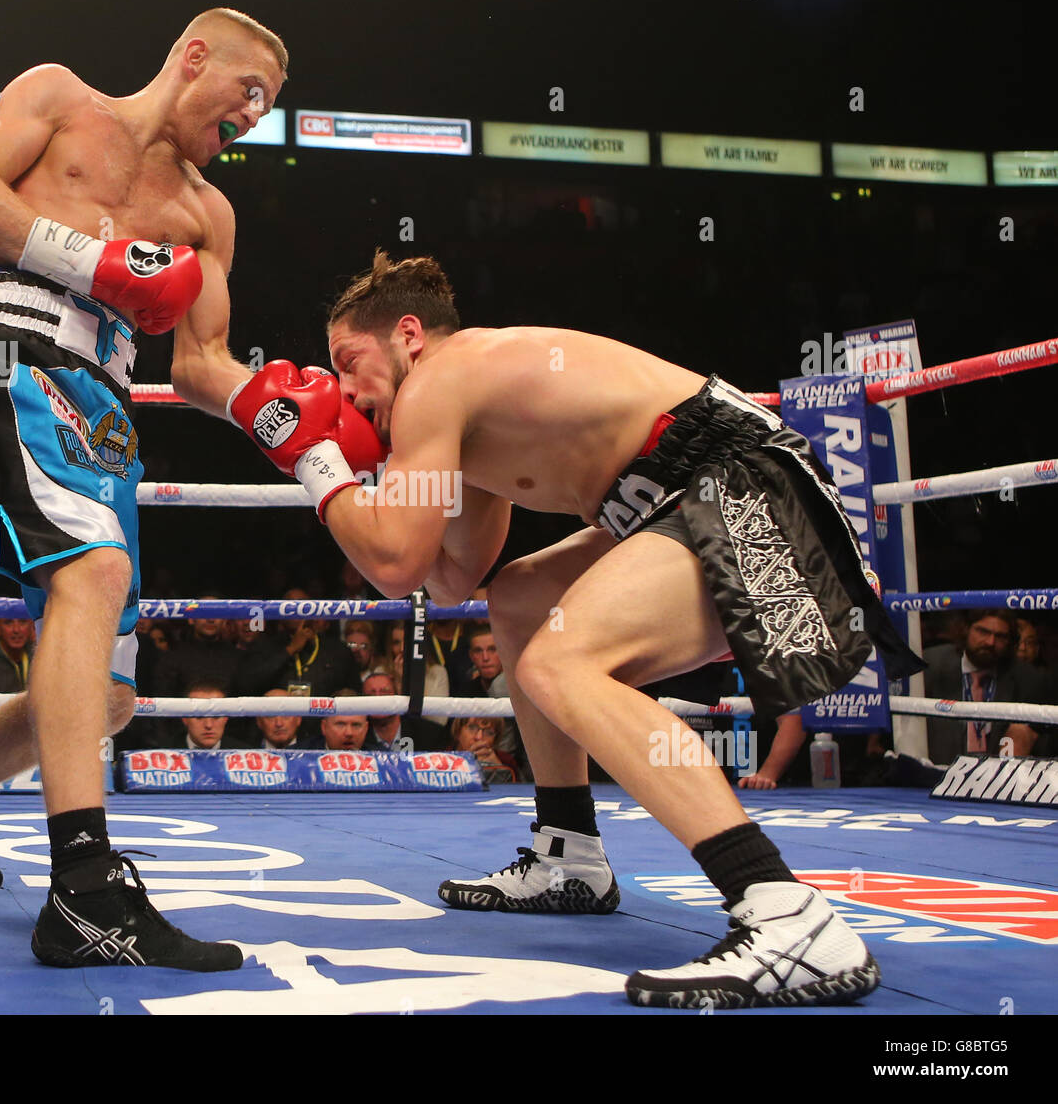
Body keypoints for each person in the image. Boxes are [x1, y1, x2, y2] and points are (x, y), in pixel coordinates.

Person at [201, 250, 923, 1007]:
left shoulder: (443, 379)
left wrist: (315, 458)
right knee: (519, 599)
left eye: (348, 362)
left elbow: (388, 563)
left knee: (561, 662)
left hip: (743, 488)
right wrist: (377, 472)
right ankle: (569, 854)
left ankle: (786, 915)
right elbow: (443, 580)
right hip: (683, 500)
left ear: (408, 334)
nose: (344, 389)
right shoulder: (460, 423)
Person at [0, 6, 287, 973]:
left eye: (267, 108)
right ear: (193, 58)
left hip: (104, 403)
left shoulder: (207, 215)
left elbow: (203, 364)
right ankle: (88, 894)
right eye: (248, 93)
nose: (253, 119)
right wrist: (89, 259)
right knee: (89, 576)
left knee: (108, 695)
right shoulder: (58, 98)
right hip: (5, 349)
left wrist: (294, 428)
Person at [921, 609, 1051, 763]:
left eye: (1000, 637)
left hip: (995, 779)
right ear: (966, 629)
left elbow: (1036, 739)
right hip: (937, 773)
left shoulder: (1026, 677)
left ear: (1010, 641)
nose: (990, 642)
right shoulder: (930, 665)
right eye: (983, 632)